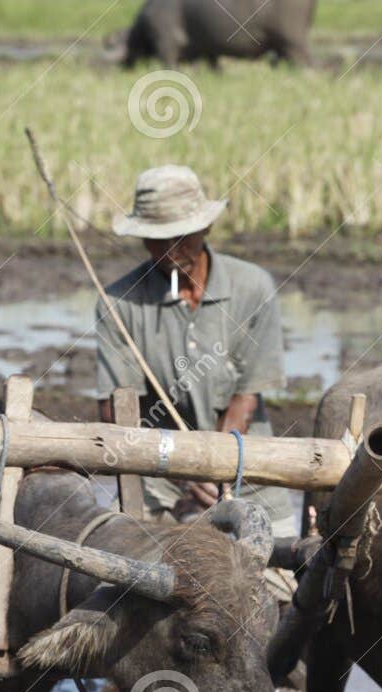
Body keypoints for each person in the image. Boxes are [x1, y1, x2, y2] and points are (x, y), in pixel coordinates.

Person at [95, 165, 298, 546]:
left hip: (248, 473)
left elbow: (245, 398)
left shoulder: (252, 288)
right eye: (158, 241)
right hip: (162, 480)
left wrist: (216, 468)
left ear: (206, 229)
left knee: (283, 587)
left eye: (182, 238)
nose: (171, 253)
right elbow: (117, 414)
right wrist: (185, 471)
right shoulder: (118, 304)